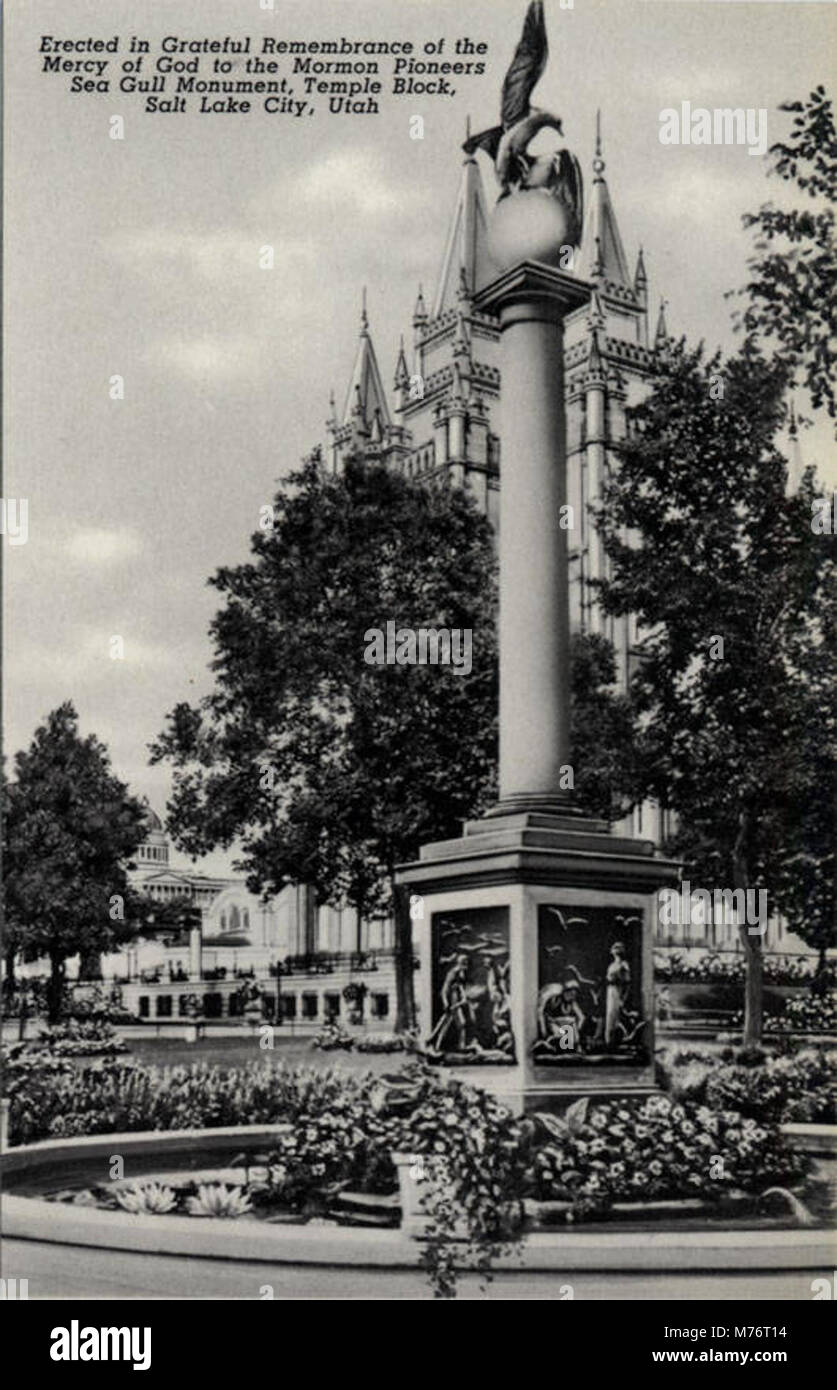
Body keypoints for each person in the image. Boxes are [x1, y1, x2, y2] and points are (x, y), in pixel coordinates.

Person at [604, 941, 631, 1048]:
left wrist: (623, 998)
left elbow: (627, 983)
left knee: (615, 1016)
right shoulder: (611, 965)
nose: (616, 950)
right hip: (610, 991)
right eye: (615, 948)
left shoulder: (623, 965)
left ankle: (615, 1041)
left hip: (618, 991)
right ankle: (609, 1041)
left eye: (618, 948)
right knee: (610, 1016)